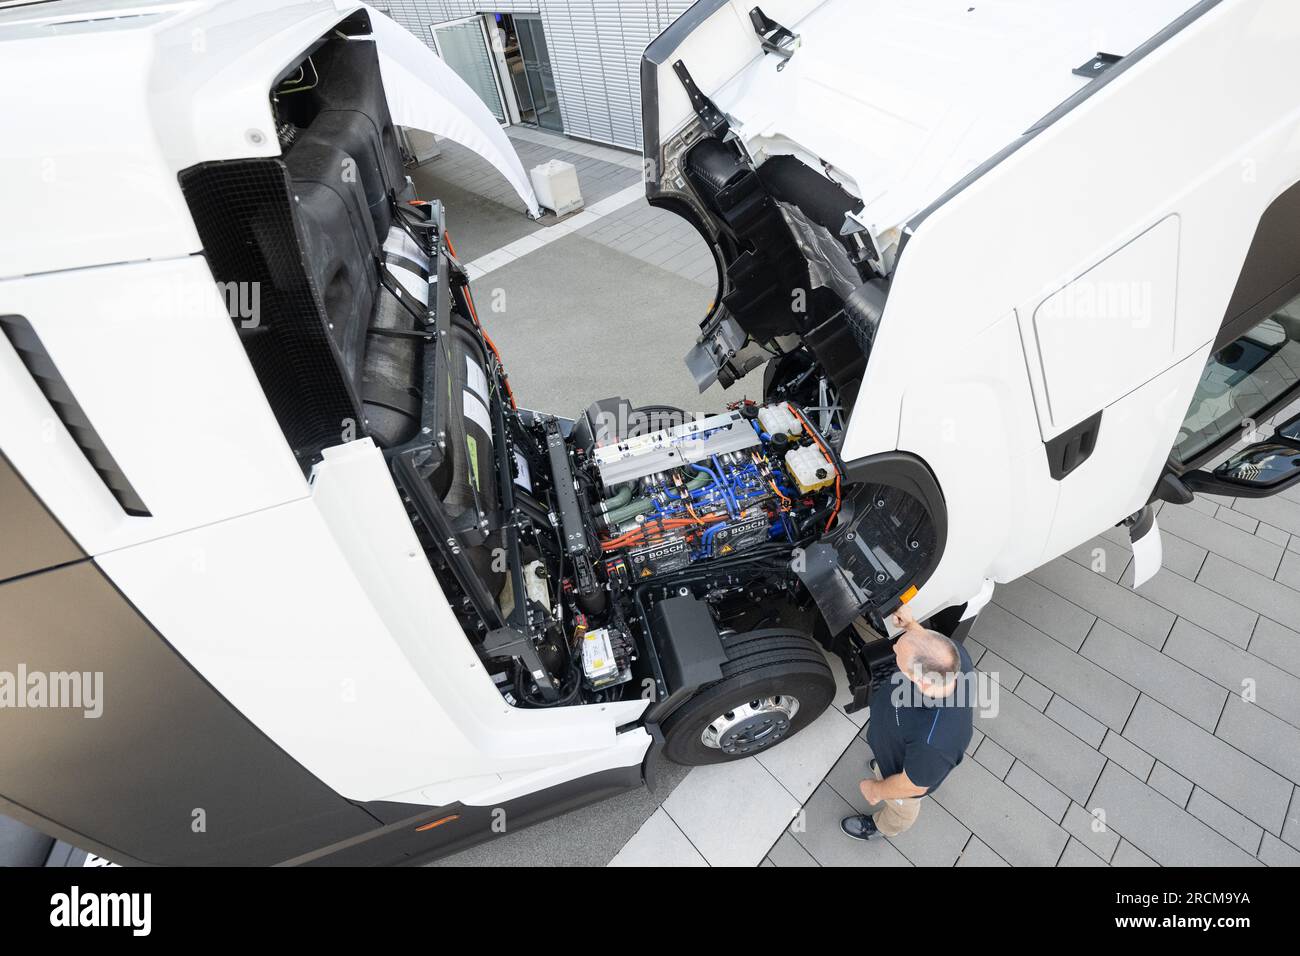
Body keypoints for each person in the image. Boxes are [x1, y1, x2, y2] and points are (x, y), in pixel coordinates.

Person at [840, 604, 974, 841]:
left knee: (900, 808)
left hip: (907, 780)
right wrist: (912, 626)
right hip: (895, 748)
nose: (893, 648)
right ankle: (884, 768)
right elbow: (929, 645)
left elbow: (913, 785)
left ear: (921, 682)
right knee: (887, 769)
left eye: (898, 655)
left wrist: (876, 790)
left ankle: (883, 827)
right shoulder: (955, 657)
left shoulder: (936, 742)